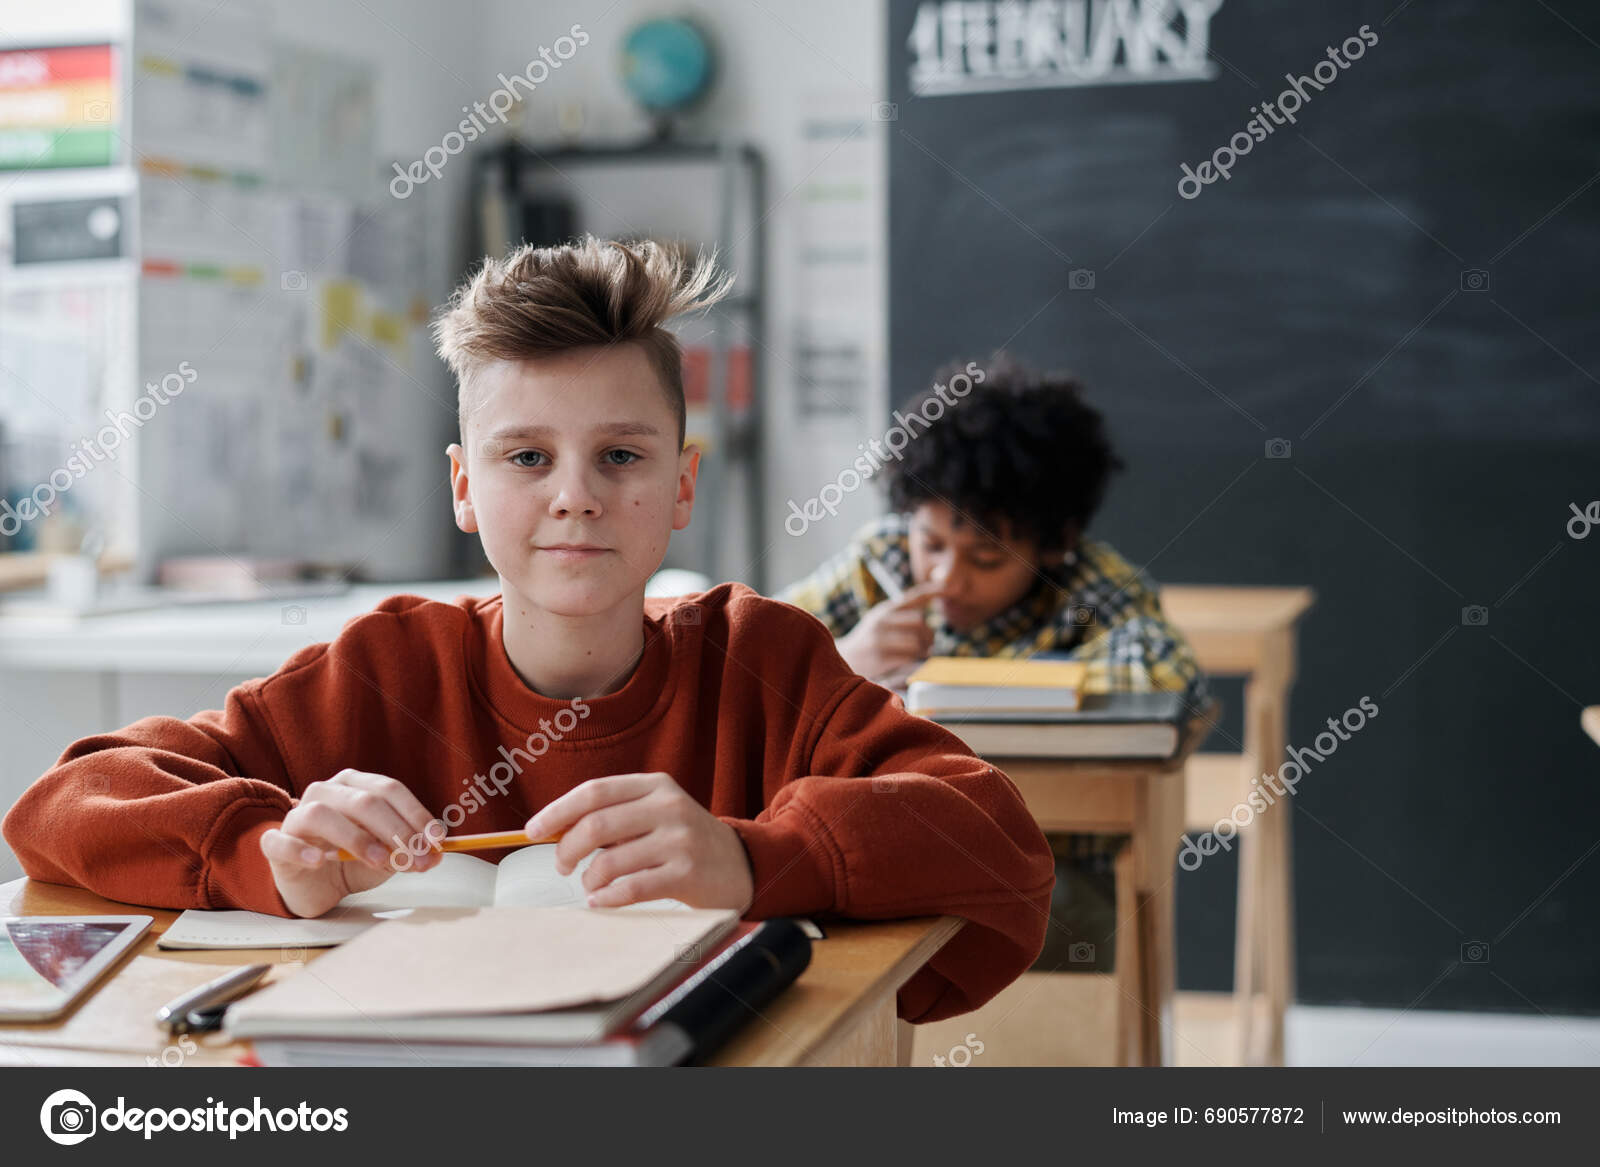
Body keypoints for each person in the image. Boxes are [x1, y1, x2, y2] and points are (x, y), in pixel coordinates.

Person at [1, 238, 1057, 1024]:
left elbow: (999, 842)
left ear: (682, 484)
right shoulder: (382, 668)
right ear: (463, 488)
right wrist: (261, 851)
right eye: (525, 458)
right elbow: (64, 804)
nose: (575, 498)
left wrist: (751, 860)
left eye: (623, 457)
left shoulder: (761, 657)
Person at [776, 354, 1207, 973]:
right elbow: (758, 657)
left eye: (986, 558)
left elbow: (1167, 679)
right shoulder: (882, 566)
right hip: (892, 848)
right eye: (933, 544)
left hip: (1049, 867)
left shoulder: (1089, 592)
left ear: (1052, 547)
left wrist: (972, 687)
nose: (948, 577)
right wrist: (842, 662)